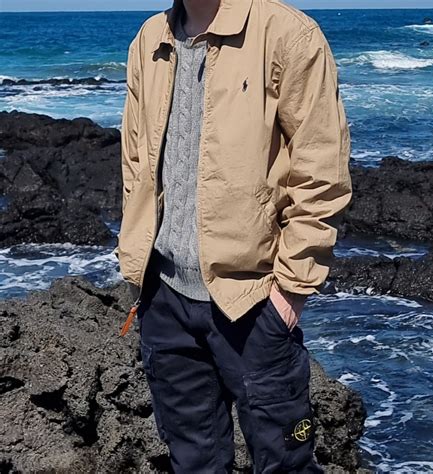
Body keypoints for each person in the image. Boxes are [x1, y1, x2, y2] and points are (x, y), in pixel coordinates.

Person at [116, 0, 352, 472]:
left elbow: (322, 172)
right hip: (164, 301)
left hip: (253, 301)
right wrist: (140, 262)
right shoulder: (149, 39)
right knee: (193, 463)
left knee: (286, 461)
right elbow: (135, 162)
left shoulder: (288, 34)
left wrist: (290, 294)